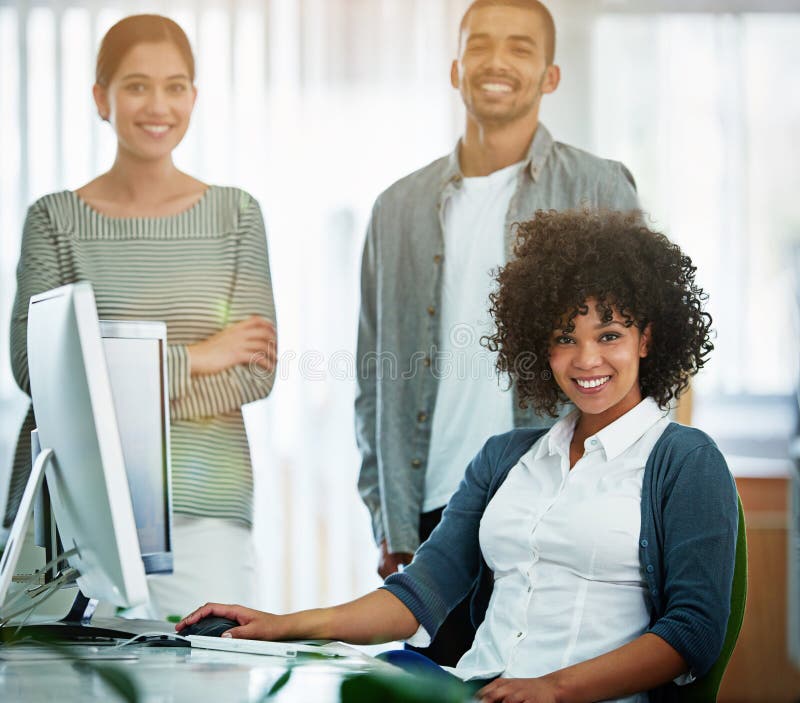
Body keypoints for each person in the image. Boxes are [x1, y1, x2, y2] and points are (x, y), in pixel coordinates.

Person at [178, 209, 738, 703]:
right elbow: (420, 593)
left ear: (647, 339)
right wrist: (283, 626)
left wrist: (552, 689)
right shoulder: (506, 459)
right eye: (565, 337)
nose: (586, 359)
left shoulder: (685, 461)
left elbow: (692, 632)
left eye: (610, 334)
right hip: (472, 690)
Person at [355, 0, 640, 664]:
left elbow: (642, 363)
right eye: (480, 45)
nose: (497, 61)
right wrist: (387, 514)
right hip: (433, 521)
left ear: (551, 76)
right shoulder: (397, 209)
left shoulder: (599, 189)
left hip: (560, 511)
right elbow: (375, 377)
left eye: (519, 47)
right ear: (456, 69)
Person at [6, 14, 277, 619]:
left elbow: (256, 372)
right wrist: (197, 357)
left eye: (175, 85)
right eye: (136, 85)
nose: (158, 105)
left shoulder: (236, 216)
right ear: (101, 97)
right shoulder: (54, 220)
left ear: (194, 97)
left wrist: (104, 387)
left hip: (202, 510)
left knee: (201, 681)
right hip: (69, 510)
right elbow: (36, 372)